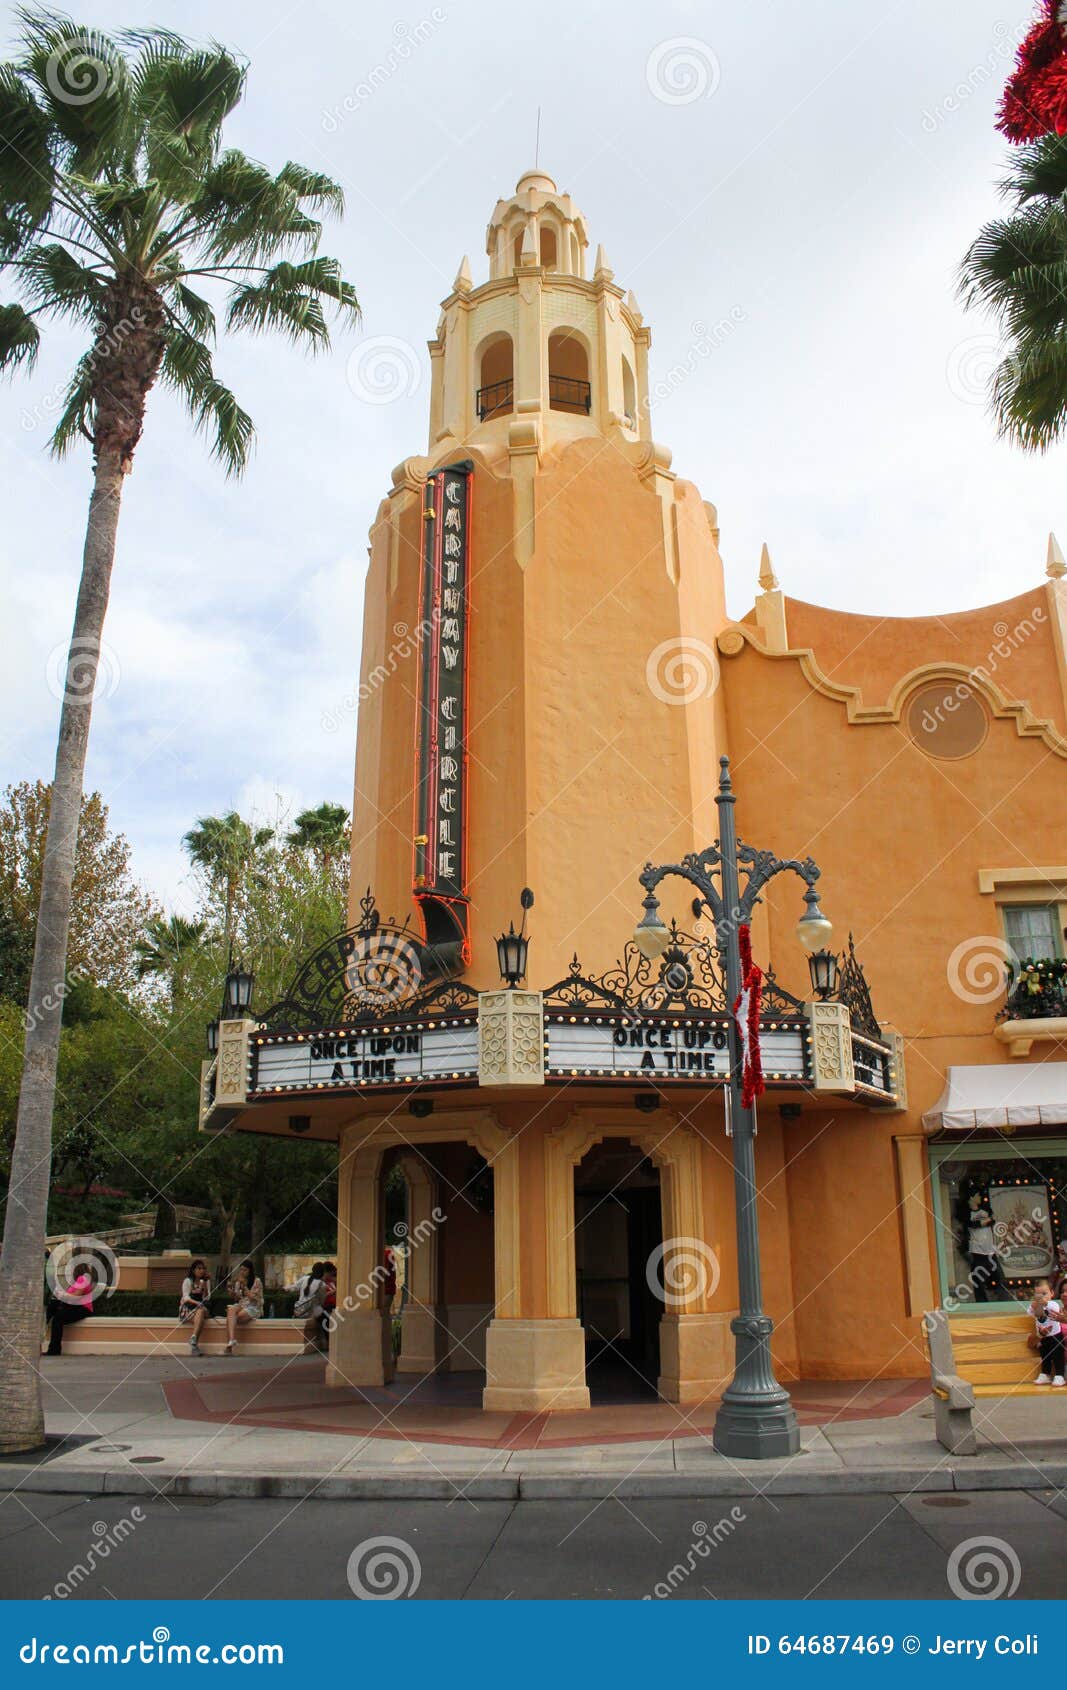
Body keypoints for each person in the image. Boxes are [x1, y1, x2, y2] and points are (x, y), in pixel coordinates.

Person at [43, 1265, 95, 1355]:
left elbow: (76, 1296)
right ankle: (44, 1322)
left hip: (83, 1308)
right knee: (54, 1305)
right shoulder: (77, 1280)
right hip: (74, 1306)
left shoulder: (83, 1279)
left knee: (57, 1319)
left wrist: (63, 1295)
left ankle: (54, 1349)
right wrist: (61, 1295)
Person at [1030, 1279, 1065, 1386]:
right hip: (1044, 1338)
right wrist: (1033, 1307)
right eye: (1038, 1295)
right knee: (1045, 1356)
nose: (1041, 1297)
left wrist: (1045, 1303)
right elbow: (1030, 1313)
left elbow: (1053, 1308)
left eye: (1044, 1294)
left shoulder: (1053, 1304)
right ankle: (1045, 1374)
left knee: (1058, 1356)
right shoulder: (1038, 1307)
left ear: (1052, 1293)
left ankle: (1059, 1375)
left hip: (1056, 1337)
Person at [223, 1260, 263, 1355]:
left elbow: (254, 1299)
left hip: (253, 1307)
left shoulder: (257, 1281)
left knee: (232, 1318)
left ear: (250, 1271)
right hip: (242, 1305)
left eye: (245, 1270)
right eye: (241, 1270)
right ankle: (232, 1340)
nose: (242, 1272)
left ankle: (229, 1347)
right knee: (231, 1310)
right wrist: (231, 1292)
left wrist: (244, 1286)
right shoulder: (238, 1282)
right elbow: (237, 1298)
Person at [290, 1261, 326, 1355]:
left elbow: (294, 1287)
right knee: (326, 1321)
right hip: (312, 1311)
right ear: (322, 1273)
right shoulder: (322, 1285)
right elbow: (322, 1301)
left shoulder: (304, 1279)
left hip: (299, 1310)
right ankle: (326, 1342)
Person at [179, 1259, 212, 1356]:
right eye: (199, 1268)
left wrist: (205, 1285)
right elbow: (186, 1297)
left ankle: (193, 1339)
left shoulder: (206, 1281)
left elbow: (207, 1297)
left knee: (201, 1312)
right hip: (188, 1309)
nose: (201, 1270)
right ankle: (194, 1344)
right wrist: (197, 1303)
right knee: (200, 1316)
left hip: (201, 1308)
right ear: (193, 1270)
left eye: (203, 1268)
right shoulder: (188, 1281)